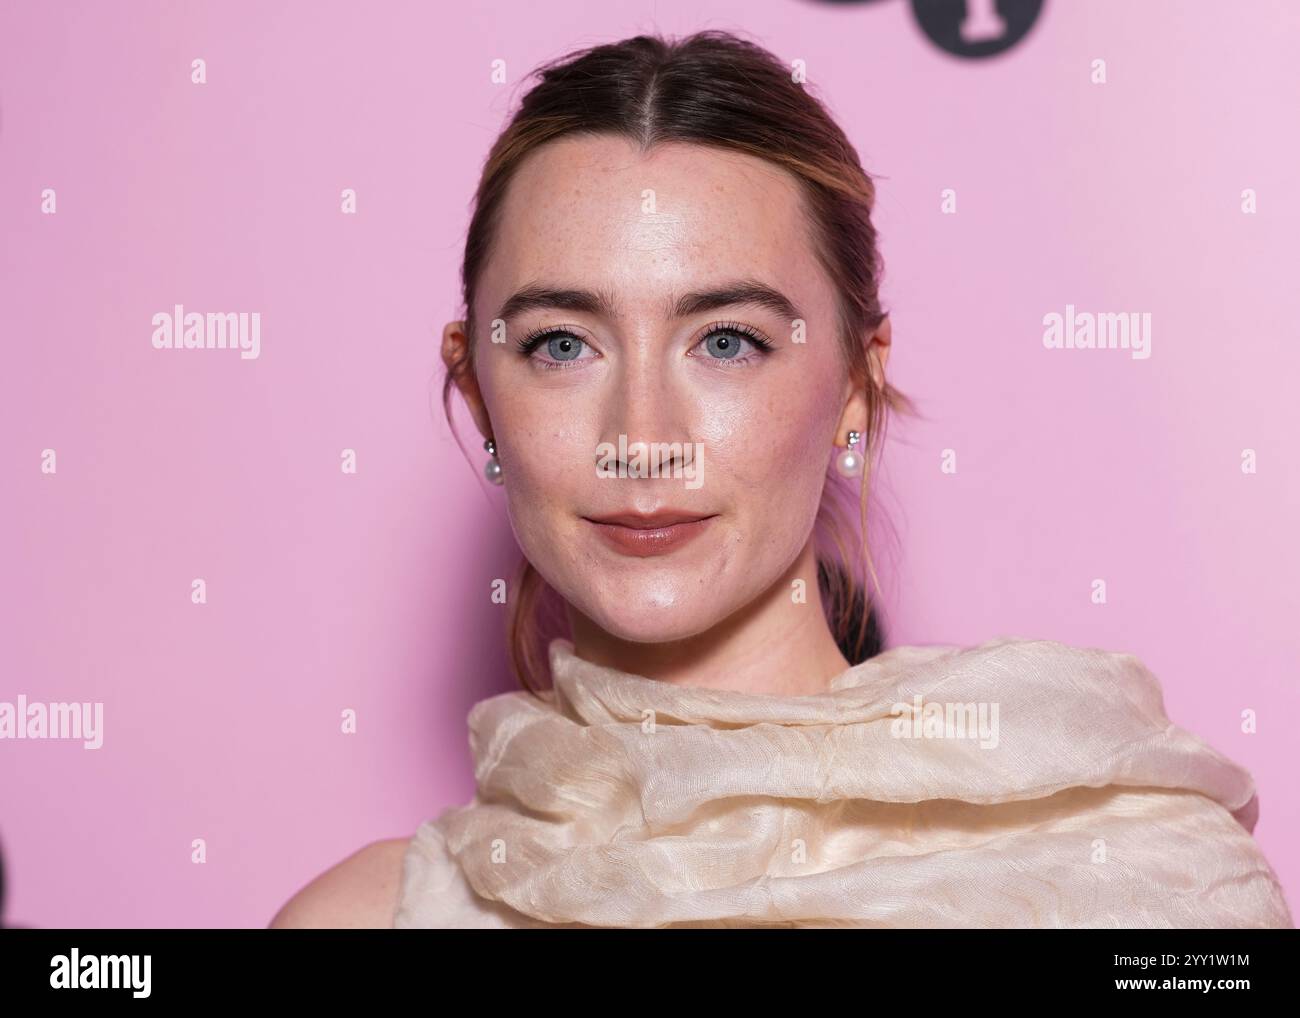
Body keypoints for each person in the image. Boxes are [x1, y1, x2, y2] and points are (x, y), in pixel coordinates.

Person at [269, 29, 1293, 929]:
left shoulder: (1130, 873)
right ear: (479, 393)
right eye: (561, 345)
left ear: (854, 382)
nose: (643, 438)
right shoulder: (373, 917)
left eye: (725, 340)